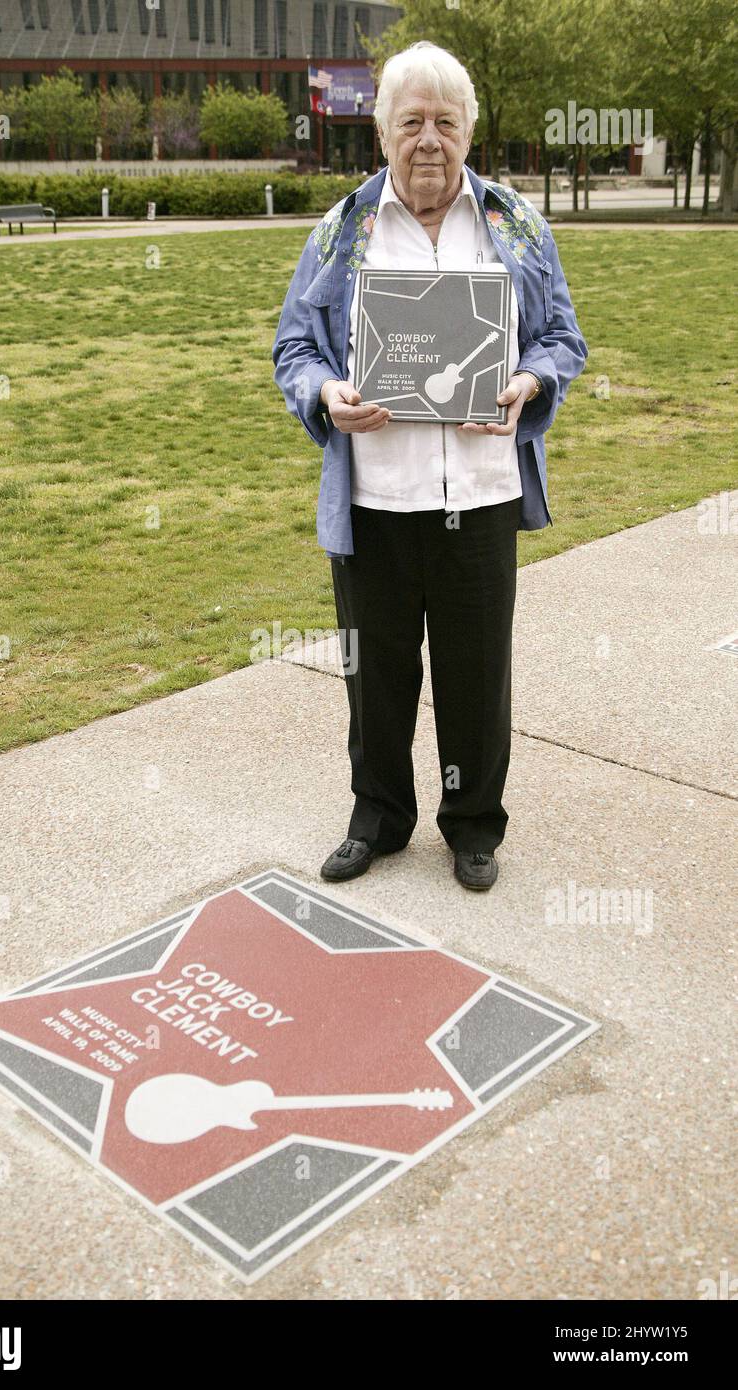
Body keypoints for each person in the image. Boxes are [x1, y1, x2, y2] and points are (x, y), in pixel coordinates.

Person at [272, 41, 587, 890]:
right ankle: (379, 816)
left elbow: (563, 339)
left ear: (468, 133)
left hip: (480, 493)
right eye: (411, 121)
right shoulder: (345, 231)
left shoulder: (513, 224)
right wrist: (327, 393)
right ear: (382, 132)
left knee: (476, 670)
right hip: (377, 496)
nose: (428, 140)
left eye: (445, 123)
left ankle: (473, 824)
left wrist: (529, 379)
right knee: (374, 673)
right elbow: (294, 346)